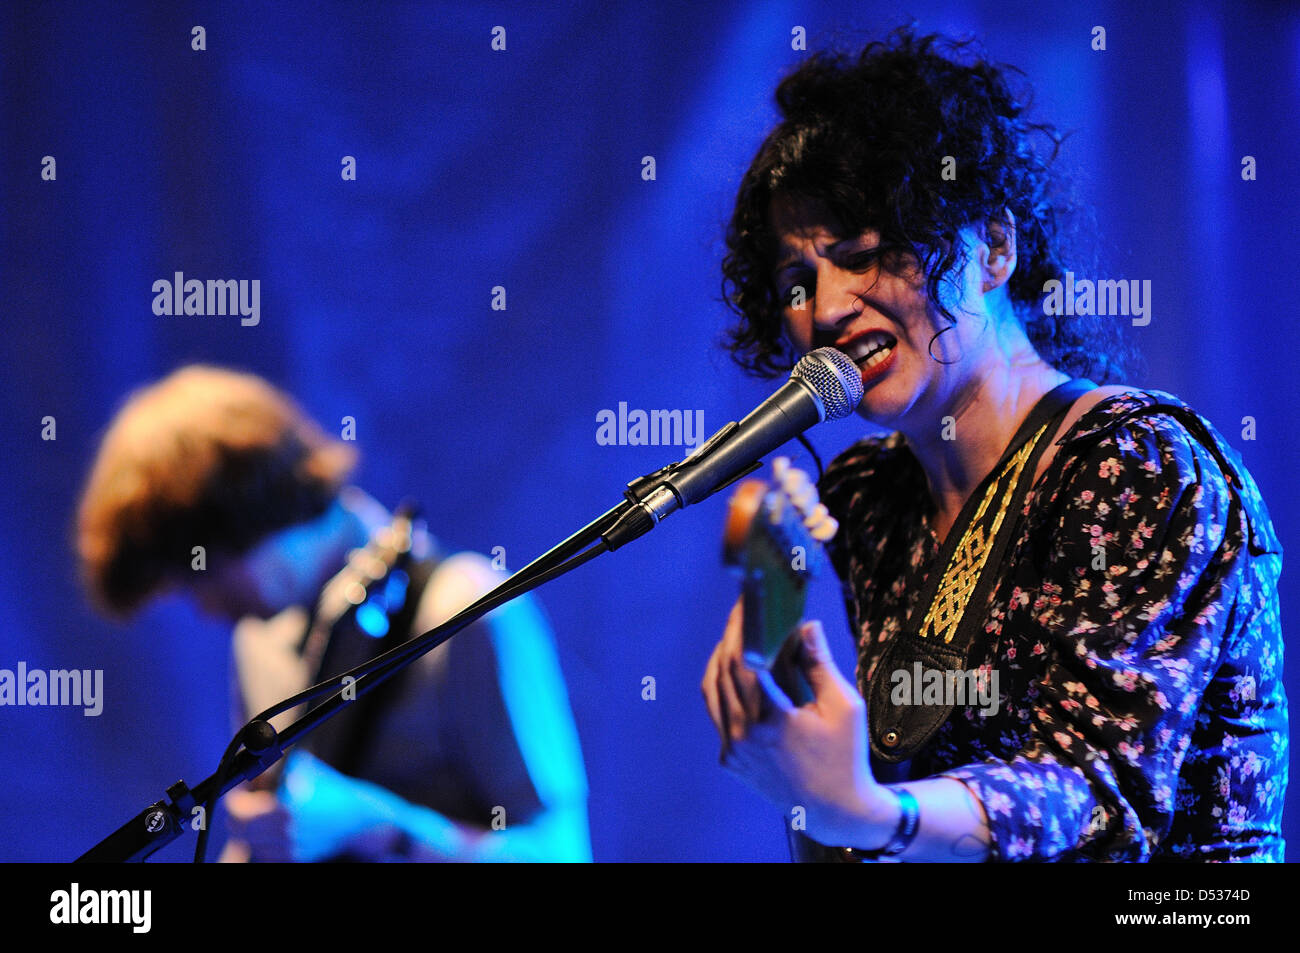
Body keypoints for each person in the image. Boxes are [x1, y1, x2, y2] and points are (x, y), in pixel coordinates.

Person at [701, 29, 1286, 862]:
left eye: (862, 253)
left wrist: (872, 812)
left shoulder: (1139, 466)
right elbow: (906, 788)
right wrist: (802, 734)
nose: (824, 309)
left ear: (994, 248)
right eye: (798, 282)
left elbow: (1098, 795)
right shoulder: (870, 496)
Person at [76, 364, 591, 862]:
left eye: (202, 577)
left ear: (249, 520)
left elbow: (559, 853)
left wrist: (381, 829)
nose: (208, 609)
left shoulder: (472, 610)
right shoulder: (258, 637)